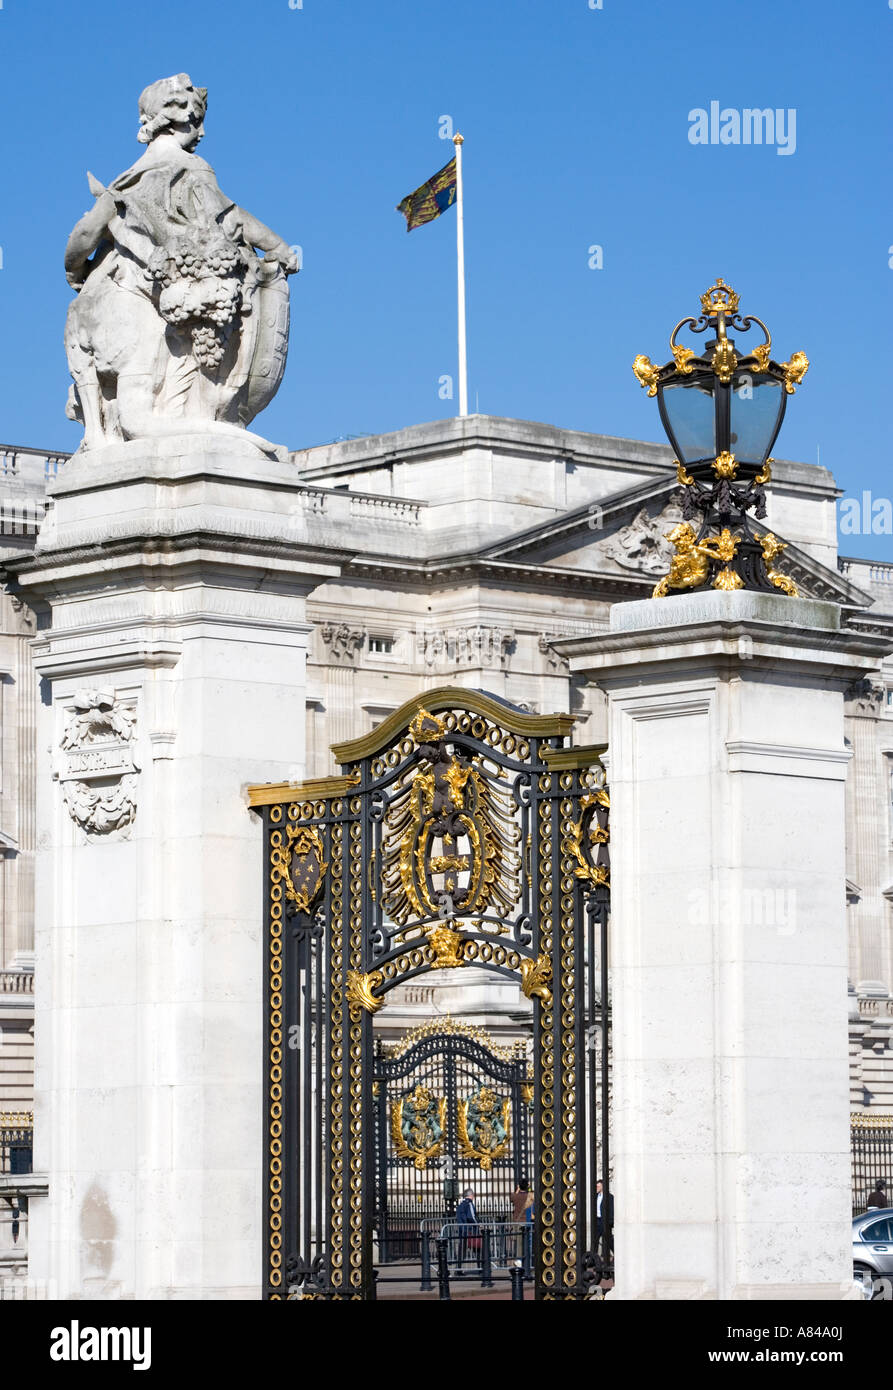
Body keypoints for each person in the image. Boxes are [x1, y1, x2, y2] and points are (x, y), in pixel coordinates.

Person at [596, 1179, 614, 1258]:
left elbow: (611, 1210)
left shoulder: (609, 1197)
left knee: (608, 1240)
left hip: (605, 1221)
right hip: (597, 1220)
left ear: (602, 1187)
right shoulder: (596, 1196)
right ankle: (594, 1258)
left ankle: (616, 1254)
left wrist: (610, 1222)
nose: (596, 1187)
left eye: (598, 1186)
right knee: (595, 1240)